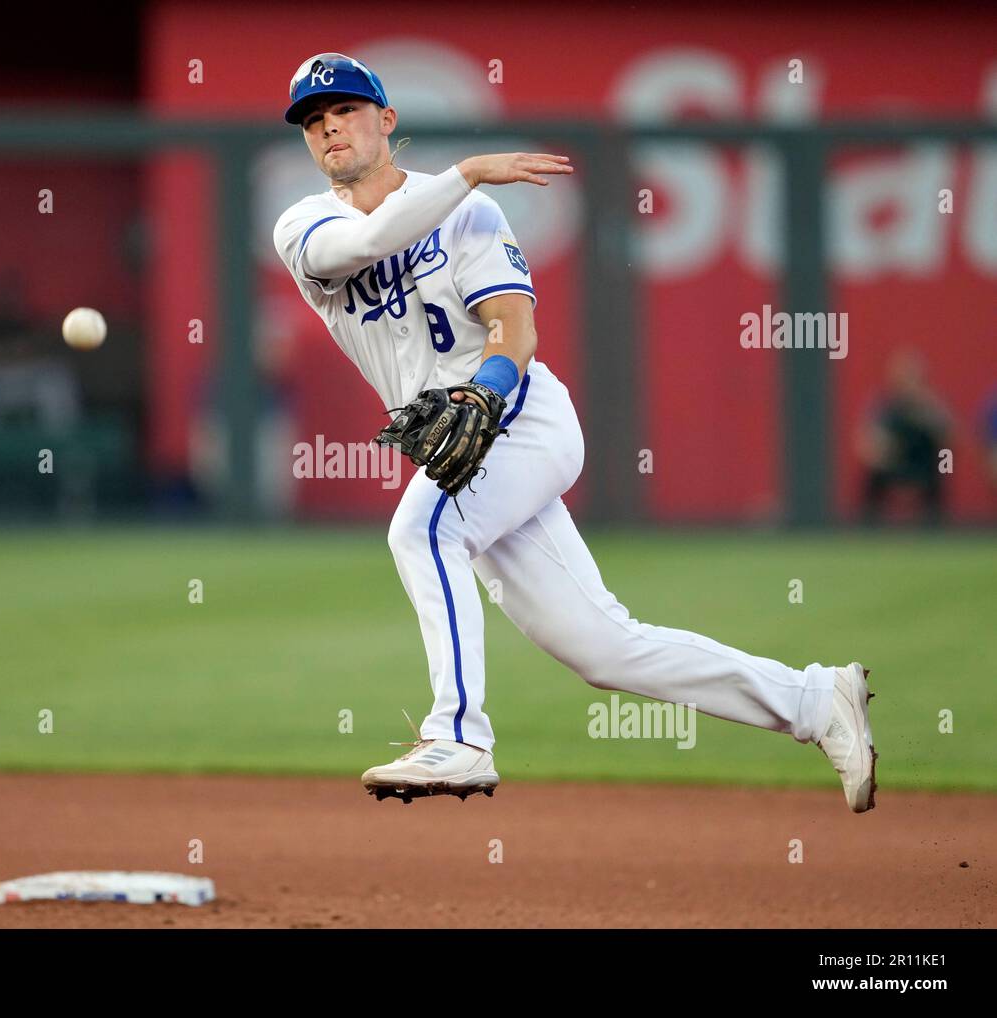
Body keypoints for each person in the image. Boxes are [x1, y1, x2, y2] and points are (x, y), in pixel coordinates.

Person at [272, 53, 877, 812]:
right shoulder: (302, 223)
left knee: (421, 531)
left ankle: (458, 736)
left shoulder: (472, 212)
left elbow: (513, 329)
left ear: (386, 121)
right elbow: (357, 247)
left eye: (347, 110)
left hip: (520, 417)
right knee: (603, 648)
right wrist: (467, 172)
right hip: (458, 445)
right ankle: (816, 701)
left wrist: (484, 392)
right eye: (314, 120)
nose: (330, 127)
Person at [856, 350, 951, 526]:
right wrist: (884, 448)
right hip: (893, 465)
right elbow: (865, 445)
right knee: (872, 475)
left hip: (925, 466)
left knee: (946, 464)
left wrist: (926, 414)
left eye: (912, 378)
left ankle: (937, 525)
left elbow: (949, 438)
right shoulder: (883, 406)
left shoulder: (931, 405)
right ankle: (867, 527)